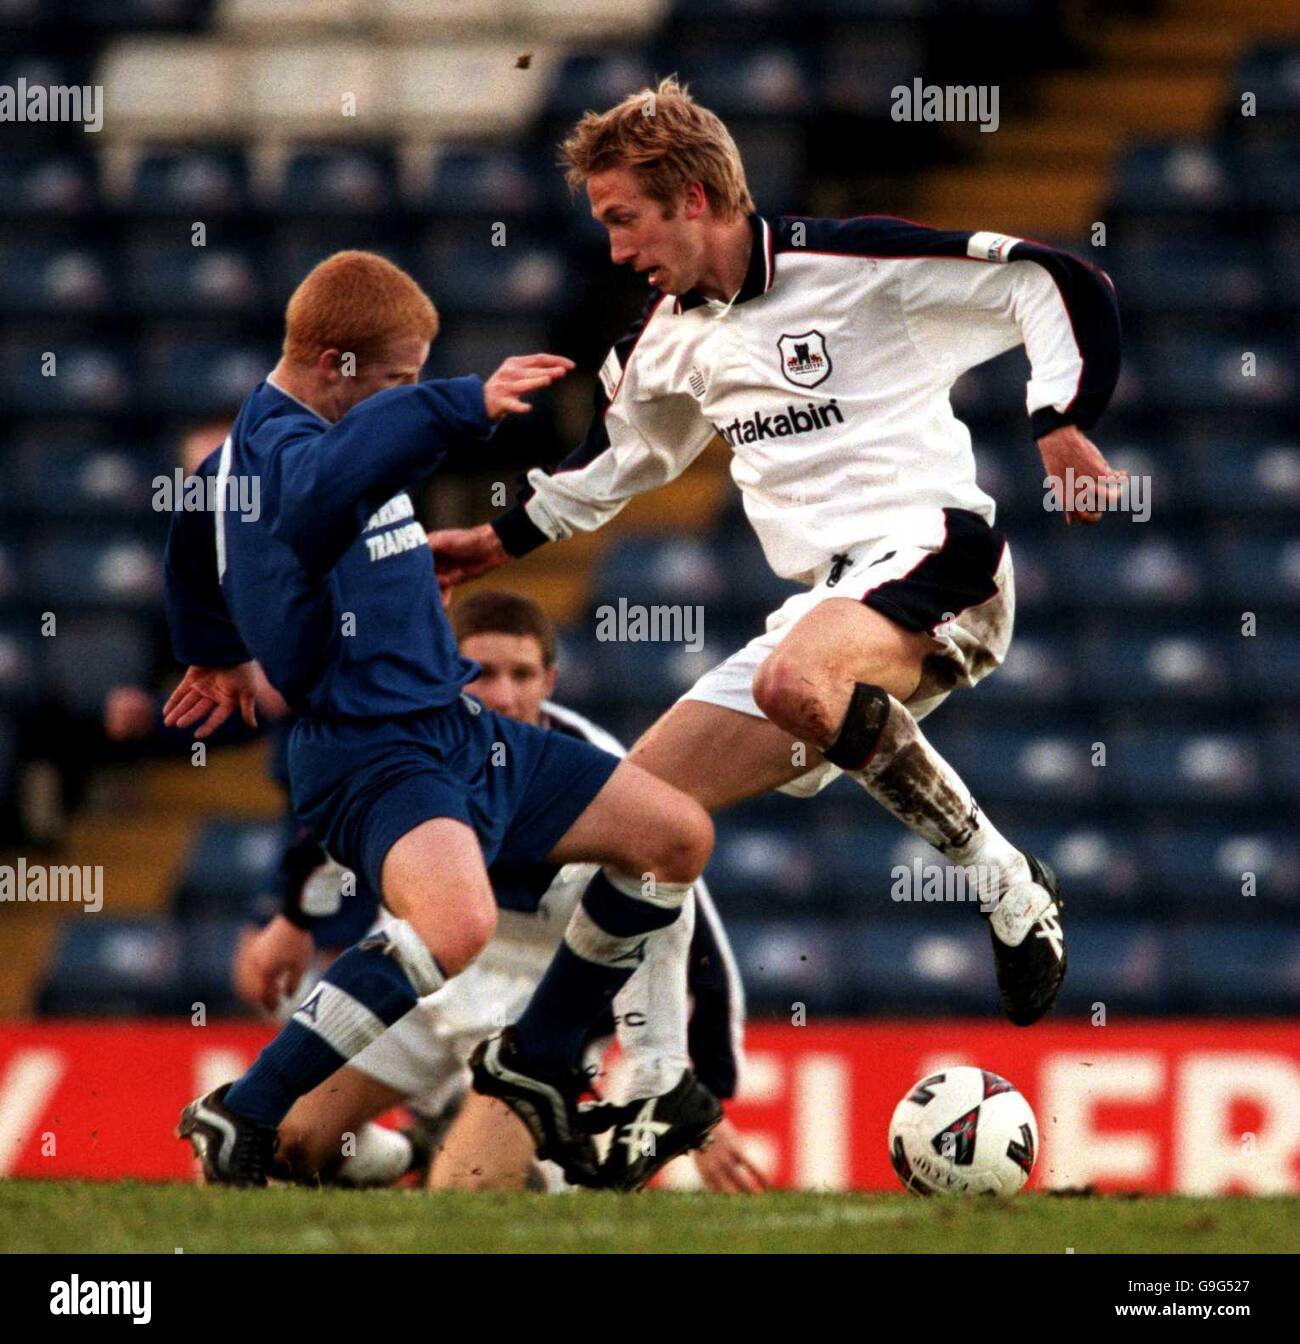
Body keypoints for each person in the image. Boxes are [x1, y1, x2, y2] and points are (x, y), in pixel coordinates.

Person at [432, 78, 1127, 1028]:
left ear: (695, 199)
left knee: (795, 681)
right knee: (633, 821)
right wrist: (499, 538)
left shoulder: (852, 264)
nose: (616, 248)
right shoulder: (666, 342)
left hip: (939, 556)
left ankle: (1005, 882)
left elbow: (1057, 280)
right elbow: (620, 457)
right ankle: (572, 1066)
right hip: (830, 603)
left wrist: (1060, 420)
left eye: (625, 218)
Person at [164, 250, 718, 1188]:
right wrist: (456, 402)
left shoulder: (250, 459)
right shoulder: (292, 457)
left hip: (464, 732)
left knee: (675, 836)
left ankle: (537, 1061)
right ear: (337, 364)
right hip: (373, 750)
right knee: (455, 927)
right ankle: (244, 1110)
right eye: (395, 380)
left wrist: (209, 643)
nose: (402, 396)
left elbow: (191, 533)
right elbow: (327, 485)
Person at [243, 589, 760, 1193]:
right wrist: (294, 921)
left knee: (465, 1194)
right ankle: (410, 1146)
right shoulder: (402, 740)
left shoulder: (603, 777)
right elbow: (335, 823)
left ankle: (457, 1143)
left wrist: (707, 1096)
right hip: (423, 980)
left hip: (539, 1015)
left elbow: (694, 941)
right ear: (443, 671)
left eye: (522, 674)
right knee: (281, 1146)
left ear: (551, 680)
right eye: (481, 673)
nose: (504, 696)